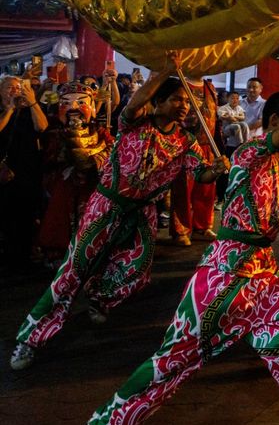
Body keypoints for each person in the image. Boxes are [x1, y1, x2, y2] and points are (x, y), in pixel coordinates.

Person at [81, 85, 279, 425]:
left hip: (263, 271)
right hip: (224, 272)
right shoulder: (250, 153)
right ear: (274, 122)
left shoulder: (278, 170)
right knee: (176, 357)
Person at [10, 61, 229, 370]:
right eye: (177, 99)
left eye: (186, 101)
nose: (184, 106)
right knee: (74, 271)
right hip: (108, 205)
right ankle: (29, 339)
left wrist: (216, 170)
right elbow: (137, 101)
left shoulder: (186, 141)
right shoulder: (134, 122)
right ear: (159, 102)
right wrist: (165, 71)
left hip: (142, 214)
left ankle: (100, 295)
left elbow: (202, 174)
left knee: (137, 272)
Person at [36, 80, 113, 264]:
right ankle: (58, 252)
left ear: (93, 108)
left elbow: (112, 152)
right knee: (59, 216)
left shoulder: (100, 132)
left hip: (93, 184)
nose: (73, 107)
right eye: (65, 103)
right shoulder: (54, 133)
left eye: (81, 102)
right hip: (65, 184)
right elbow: (49, 159)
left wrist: (93, 161)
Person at [0, 74, 49, 268]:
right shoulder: (5, 110)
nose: (14, 91)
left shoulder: (28, 109)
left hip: (27, 169)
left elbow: (42, 126)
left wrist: (33, 103)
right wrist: (10, 108)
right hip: (4, 170)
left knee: (26, 214)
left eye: (18, 88)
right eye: (9, 88)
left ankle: (23, 256)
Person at [169, 81, 220, 246]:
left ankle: (202, 226)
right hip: (185, 144)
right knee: (183, 189)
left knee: (206, 189)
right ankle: (181, 230)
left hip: (207, 145)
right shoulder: (181, 83)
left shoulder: (209, 88)